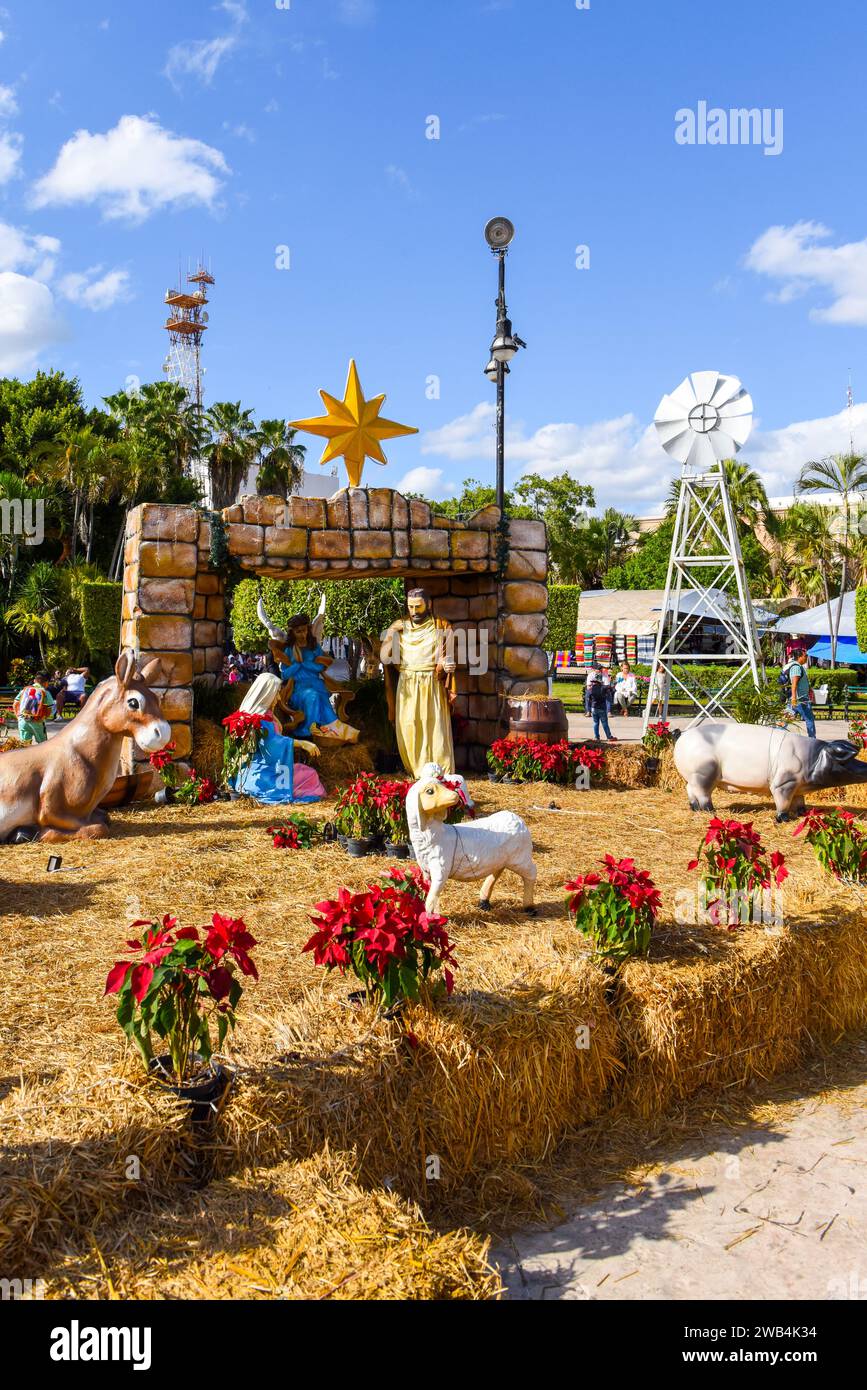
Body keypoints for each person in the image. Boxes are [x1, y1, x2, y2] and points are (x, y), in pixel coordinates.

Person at [380, 588, 457, 776]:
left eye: (418, 606)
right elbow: (384, 657)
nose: (414, 611)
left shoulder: (441, 626)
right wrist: (390, 632)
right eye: (410, 607)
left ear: (428, 604)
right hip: (407, 684)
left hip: (432, 684)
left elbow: (449, 656)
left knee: (435, 729)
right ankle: (417, 773)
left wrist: (447, 664)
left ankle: (442, 775)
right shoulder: (399, 626)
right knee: (409, 729)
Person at [230, 673, 326, 804]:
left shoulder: (257, 716)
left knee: (306, 772)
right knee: (310, 775)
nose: (279, 698)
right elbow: (272, 744)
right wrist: (302, 744)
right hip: (263, 775)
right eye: (277, 693)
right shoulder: (259, 720)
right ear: (267, 694)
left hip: (261, 771)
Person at [13, 671, 56, 744]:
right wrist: (44, 718)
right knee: (43, 744)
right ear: (46, 682)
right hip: (37, 722)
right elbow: (49, 709)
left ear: (34, 680)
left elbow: (15, 703)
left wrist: (18, 716)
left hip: (23, 720)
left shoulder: (25, 689)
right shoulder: (45, 692)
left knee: (25, 745)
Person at [784, 645, 815, 738]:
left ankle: (777, 733)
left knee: (786, 719)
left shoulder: (799, 667)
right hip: (800, 699)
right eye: (805, 656)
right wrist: (794, 698)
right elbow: (794, 684)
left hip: (797, 699)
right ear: (799, 657)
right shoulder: (796, 667)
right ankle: (812, 739)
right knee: (809, 719)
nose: (806, 658)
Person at [587, 669, 617, 742]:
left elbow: (589, 699)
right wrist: (613, 683)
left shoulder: (592, 689)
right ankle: (609, 736)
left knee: (595, 723)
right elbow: (612, 689)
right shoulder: (603, 688)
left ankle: (597, 737)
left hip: (593, 708)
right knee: (604, 723)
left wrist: (590, 708)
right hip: (602, 708)